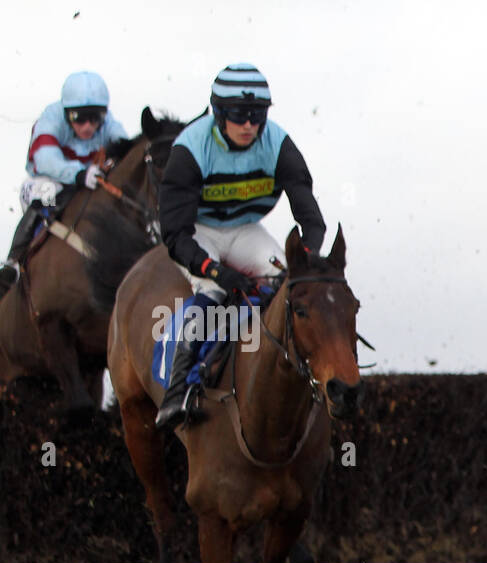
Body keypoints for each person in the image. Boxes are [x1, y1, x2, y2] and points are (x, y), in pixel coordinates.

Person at [155, 62, 327, 430]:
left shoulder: (278, 143)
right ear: (218, 113)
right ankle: (177, 389)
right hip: (197, 230)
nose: (250, 125)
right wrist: (216, 270)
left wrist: (306, 261)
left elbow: (312, 222)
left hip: (245, 229)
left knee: (288, 282)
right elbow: (174, 235)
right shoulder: (189, 149)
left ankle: (301, 376)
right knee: (214, 289)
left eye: (257, 115)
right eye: (239, 116)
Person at [0, 71, 129, 295]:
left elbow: (125, 148)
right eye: (79, 118)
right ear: (67, 113)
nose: (88, 126)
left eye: (95, 118)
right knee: (48, 191)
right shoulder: (51, 118)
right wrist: (79, 174)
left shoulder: (108, 124)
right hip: (46, 183)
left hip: (85, 183)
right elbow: (45, 159)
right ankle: (13, 261)